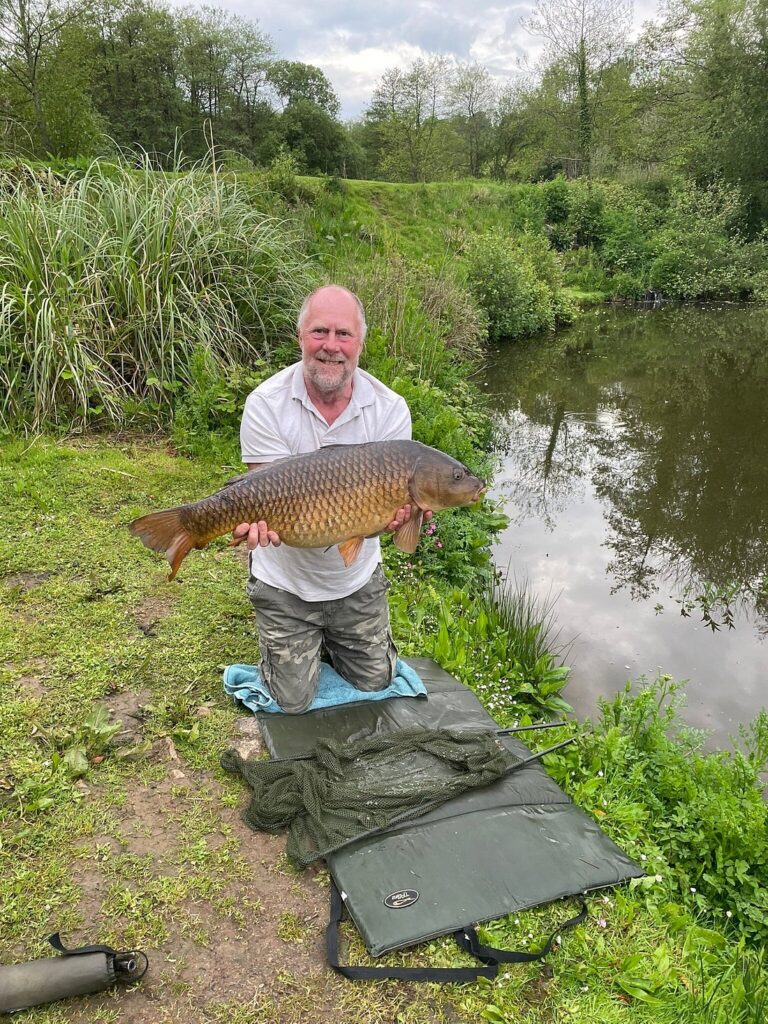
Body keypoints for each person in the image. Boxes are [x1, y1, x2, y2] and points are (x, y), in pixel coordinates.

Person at [233, 284, 427, 714]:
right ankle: (292, 643)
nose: (331, 346)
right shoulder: (266, 403)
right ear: (300, 336)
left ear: (360, 343)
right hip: (286, 582)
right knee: (292, 701)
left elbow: (396, 534)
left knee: (377, 680)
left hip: (355, 581)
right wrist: (252, 524)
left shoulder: (390, 409)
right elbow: (262, 495)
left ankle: (329, 641)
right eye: (320, 332)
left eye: (344, 335)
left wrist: (394, 521)